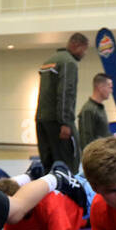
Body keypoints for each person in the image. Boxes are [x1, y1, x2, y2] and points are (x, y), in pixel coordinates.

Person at [36, 32, 89, 173]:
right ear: (76, 45)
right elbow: (66, 92)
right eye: (84, 49)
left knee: (48, 163)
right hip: (58, 122)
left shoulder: (48, 61)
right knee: (68, 161)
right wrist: (65, 122)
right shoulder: (68, 62)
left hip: (42, 119)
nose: (84, 54)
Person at [78, 73, 113, 151]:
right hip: (95, 157)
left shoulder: (100, 108)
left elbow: (105, 134)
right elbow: (86, 141)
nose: (111, 91)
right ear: (100, 88)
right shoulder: (88, 110)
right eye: (110, 87)